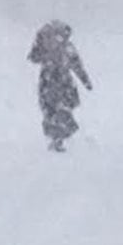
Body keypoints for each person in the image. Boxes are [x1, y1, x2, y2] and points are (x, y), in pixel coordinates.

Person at [27, 20, 93, 152]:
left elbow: (33, 58)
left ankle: (56, 138)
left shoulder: (44, 46)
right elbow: (77, 66)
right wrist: (86, 81)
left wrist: (43, 52)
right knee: (63, 109)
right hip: (64, 82)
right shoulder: (68, 47)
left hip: (47, 81)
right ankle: (60, 137)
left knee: (50, 110)